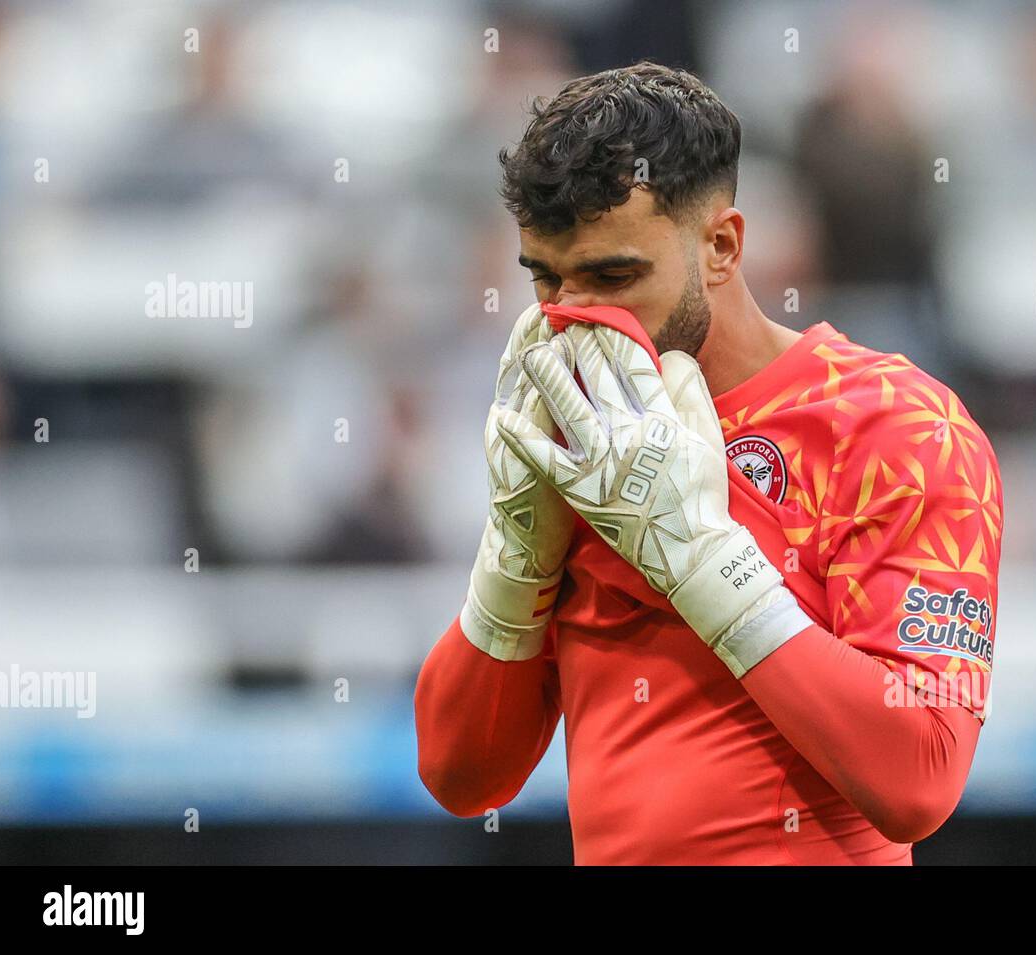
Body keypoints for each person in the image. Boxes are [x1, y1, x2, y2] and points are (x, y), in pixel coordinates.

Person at [414, 61, 1003, 864]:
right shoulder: (574, 433)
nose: (575, 318)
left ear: (722, 246)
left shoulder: (895, 427)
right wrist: (513, 560)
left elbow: (919, 776)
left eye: (613, 276)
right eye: (547, 280)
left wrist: (702, 559)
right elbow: (461, 774)